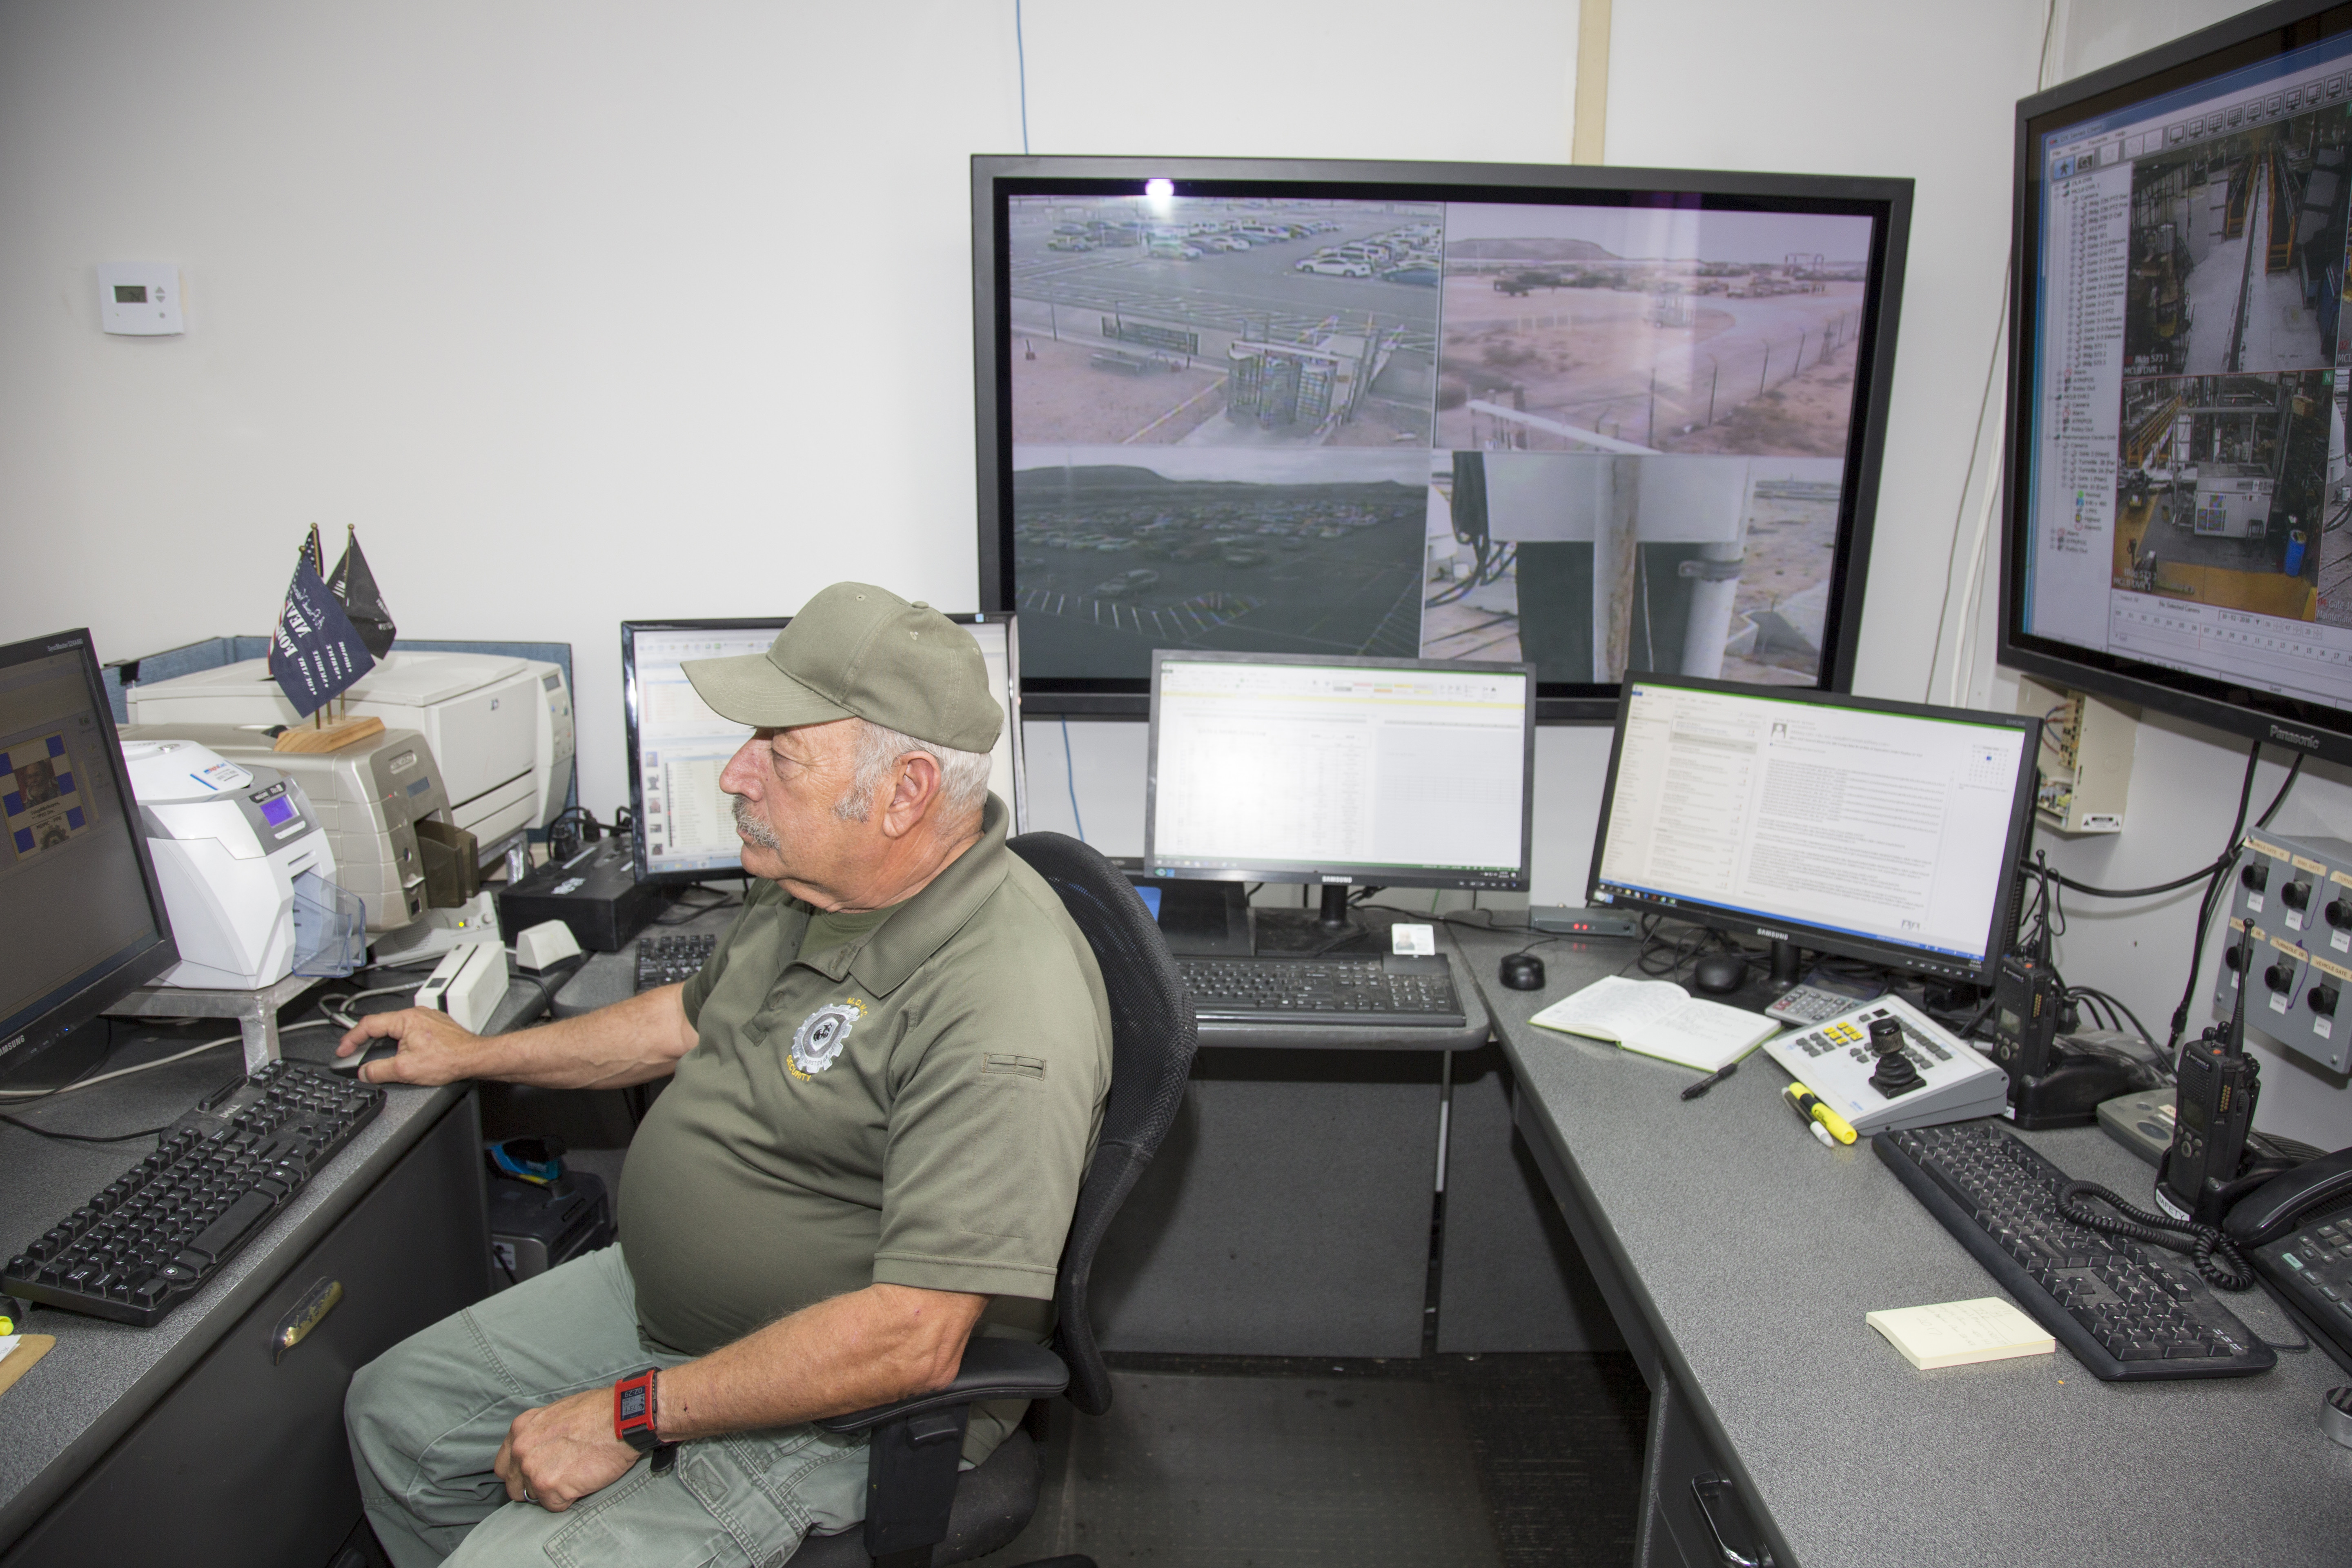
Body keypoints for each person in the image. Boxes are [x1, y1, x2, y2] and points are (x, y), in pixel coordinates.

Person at [340, 584, 1111, 1567]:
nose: (736, 775)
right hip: (670, 1307)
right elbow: (682, 1020)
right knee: (396, 1416)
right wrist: (475, 1053)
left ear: (905, 791)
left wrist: (624, 1418)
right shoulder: (820, 885)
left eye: (780, 753)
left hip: (844, 1401)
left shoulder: (1005, 1004)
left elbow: (911, 1338)